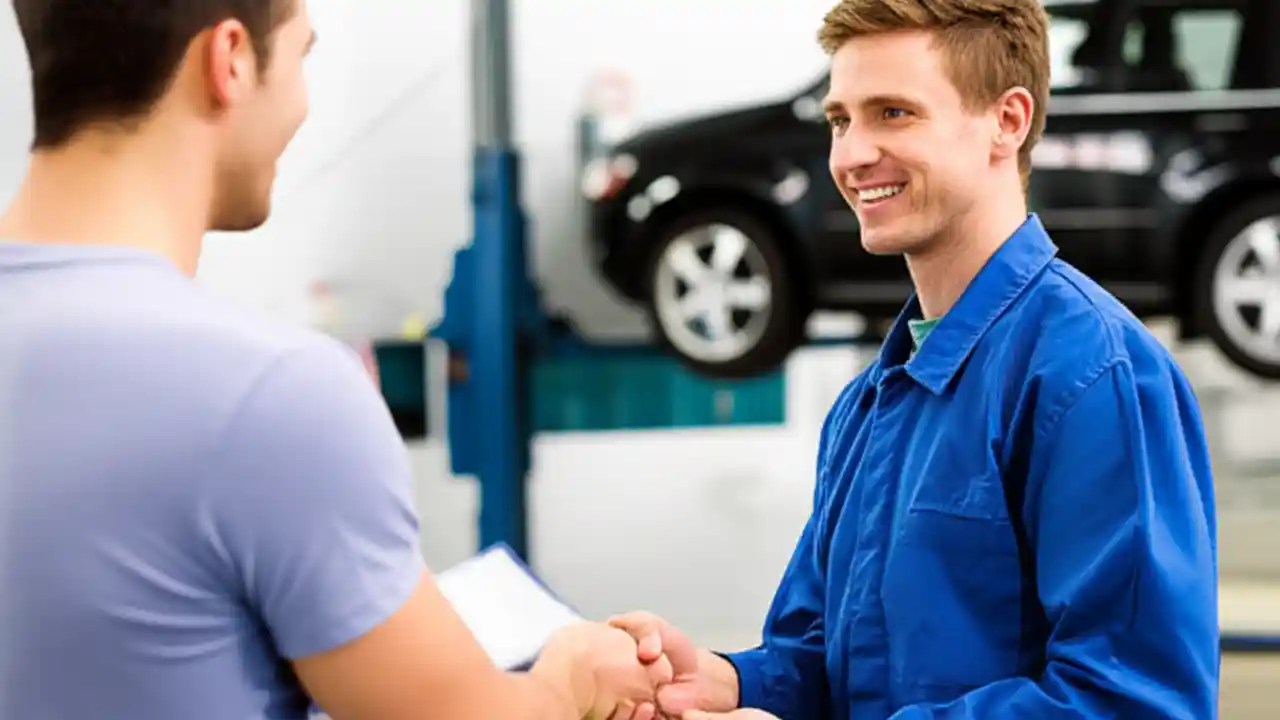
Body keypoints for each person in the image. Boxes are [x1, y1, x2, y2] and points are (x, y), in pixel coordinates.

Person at [0, 1, 686, 718]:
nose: (302, 102)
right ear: (229, 59)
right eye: (302, 55)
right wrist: (571, 675)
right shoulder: (268, 394)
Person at [613, 1, 1220, 718]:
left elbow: (1134, 704)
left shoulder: (1091, 377)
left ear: (1008, 121)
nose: (851, 154)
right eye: (840, 120)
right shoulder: (872, 402)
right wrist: (728, 683)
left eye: (893, 113)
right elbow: (827, 660)